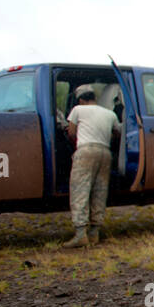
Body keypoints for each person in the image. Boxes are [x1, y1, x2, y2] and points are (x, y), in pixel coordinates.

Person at [62, 85, 120, 248]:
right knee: (100, 191)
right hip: (105, 152)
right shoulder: (110, 114)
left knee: (80, 190)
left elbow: (71, 133)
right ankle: (94, 233)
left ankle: (81, 234)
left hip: (86, 151)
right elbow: (117, 133)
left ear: (80, 99)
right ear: (94, 97)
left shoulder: (78, 109)